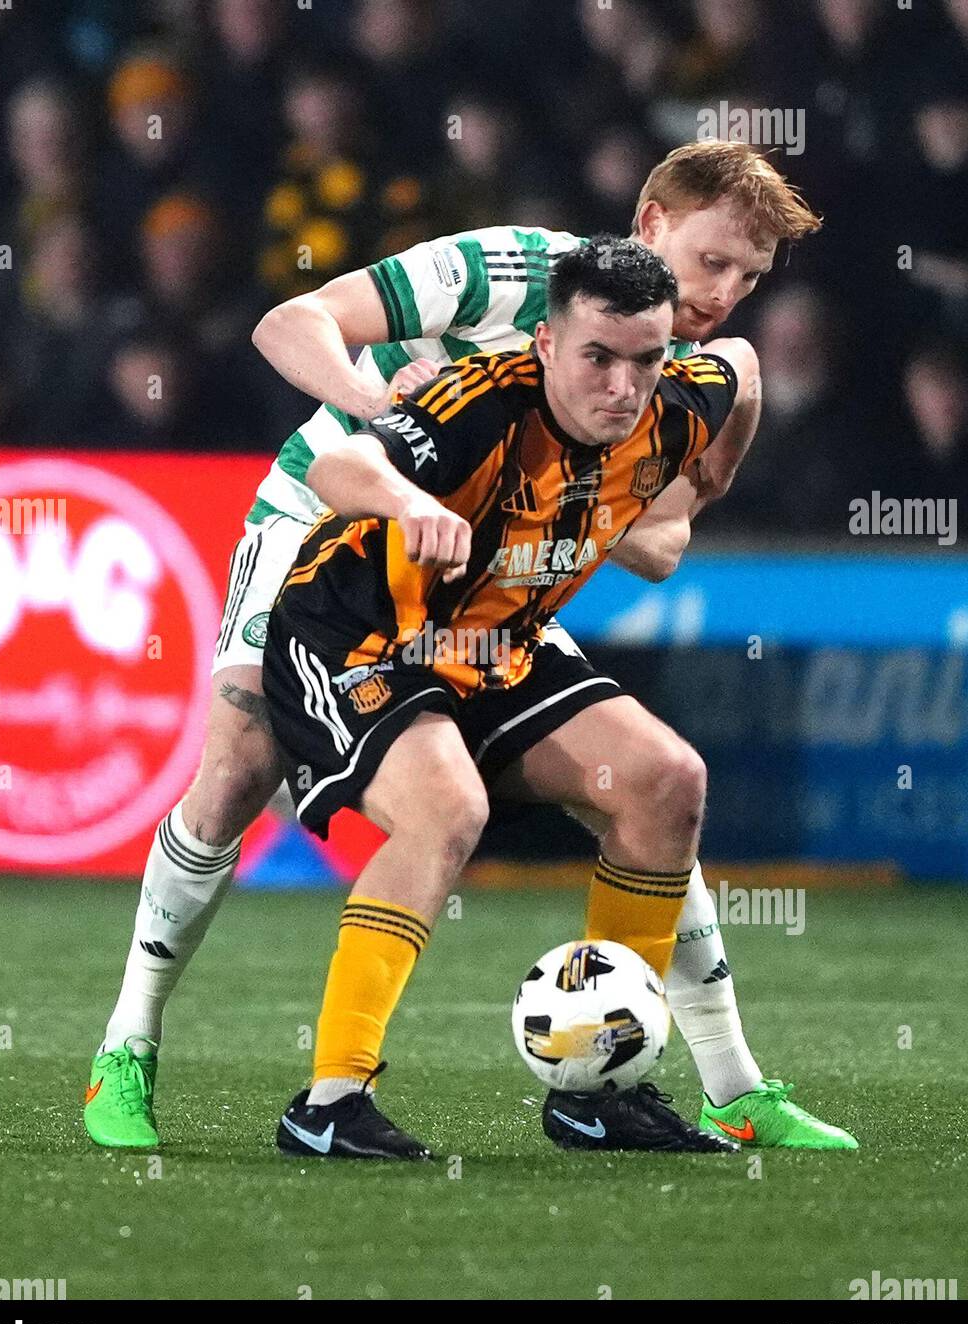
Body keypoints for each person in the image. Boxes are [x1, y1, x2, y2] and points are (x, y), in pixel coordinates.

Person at [84, 141, 856, 1154]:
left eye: (749, 278)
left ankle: (719, 1085)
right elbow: (296, 321)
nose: (724, 294)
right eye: (713, 261)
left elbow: (711, 442)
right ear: (652, 222)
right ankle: (129, 1043)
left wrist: (665, 498)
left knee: (652, 780)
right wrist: (378, 413)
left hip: (489, 576)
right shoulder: (511, 270)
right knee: (235, 766)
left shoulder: (668, 362)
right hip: (337, 531)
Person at [266, 237, 754, 1157]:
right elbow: (338, 471)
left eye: (645, 360)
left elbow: (743, 369)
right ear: (543, 347)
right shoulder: (481, 404)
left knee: (666, 780)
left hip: (497, 645)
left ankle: (603, 1093)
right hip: (357, 638)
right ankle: (328, 1101)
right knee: (449, 808)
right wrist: (411, 506)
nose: (623, 386)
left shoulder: (680, 402)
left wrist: (697, 493)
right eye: (597, 358)